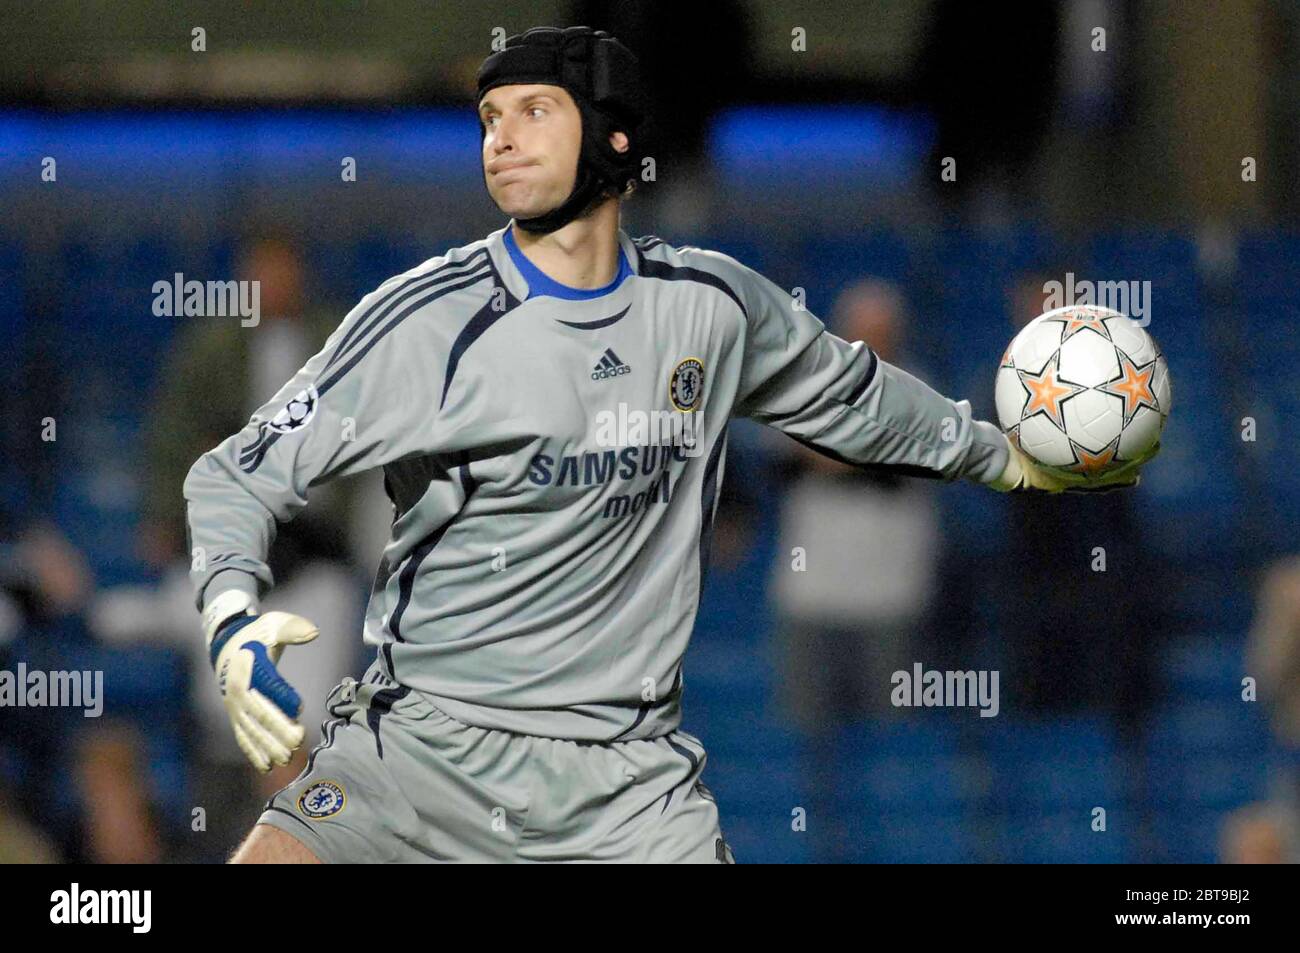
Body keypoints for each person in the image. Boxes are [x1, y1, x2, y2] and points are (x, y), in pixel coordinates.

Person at [184, 26, 1153, 864]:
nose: (501, 140)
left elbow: (859, 401)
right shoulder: (423, 324)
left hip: (622, 775)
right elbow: (236, 473)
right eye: (490, 119)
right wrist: (232, 611)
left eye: (533, 113)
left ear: (613, 139)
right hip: (426, 744)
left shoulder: (711, 309)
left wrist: (1006, 454)